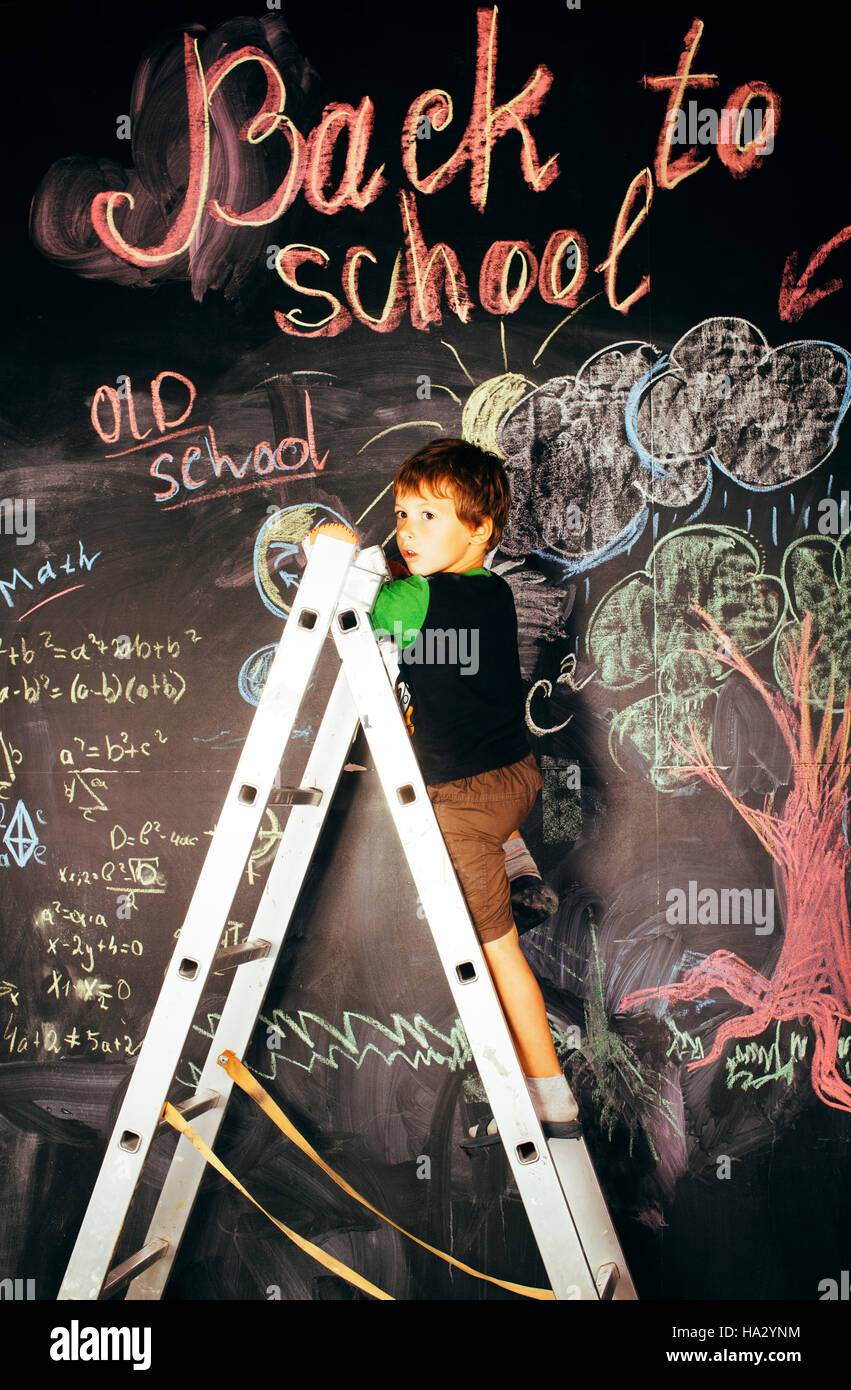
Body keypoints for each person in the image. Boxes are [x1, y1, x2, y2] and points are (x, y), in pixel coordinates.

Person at [368, 438, 580, 1148]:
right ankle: (518, 867)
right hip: (515, 779)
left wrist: (335, 548)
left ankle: (551, 1103)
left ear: (479, 527)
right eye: (402, 515)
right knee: (490, 836)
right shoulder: (488, 588)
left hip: (462, 803)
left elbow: (375, 610)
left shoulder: (415, 594)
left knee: (496, 955)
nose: (406, 530)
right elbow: (414, 604)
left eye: (429, 517)